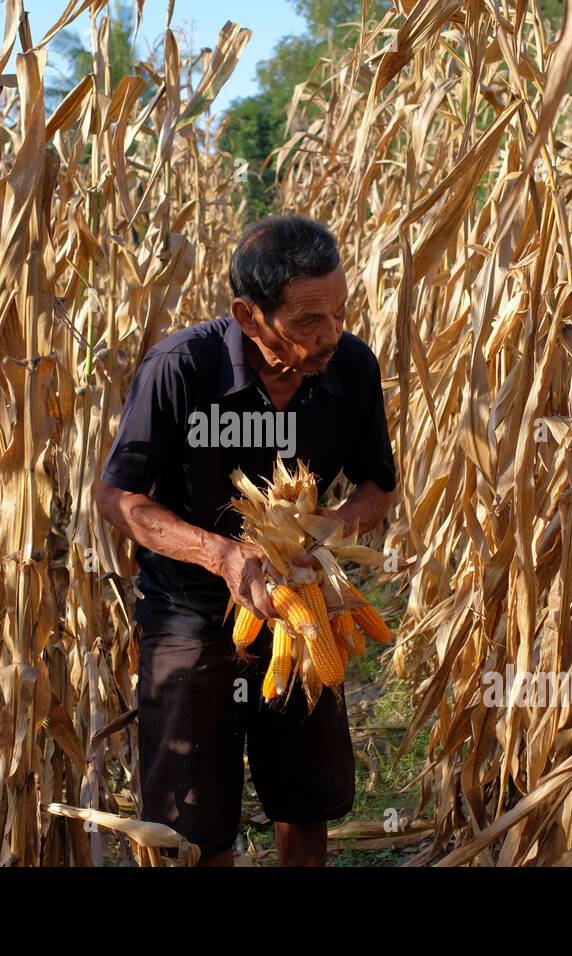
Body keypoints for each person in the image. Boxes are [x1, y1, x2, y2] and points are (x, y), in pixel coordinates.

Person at [95, 213, 396, 866]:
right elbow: (118, 497)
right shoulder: (180, 369)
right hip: (191, 614)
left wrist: (325, 534)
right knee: (195, 824)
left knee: (307, 798)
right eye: (308, 322)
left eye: (340, 313)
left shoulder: (351, 367)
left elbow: (378, 484)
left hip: (304, 610)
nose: (330, 335)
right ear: (249, 315)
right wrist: (222, 554)